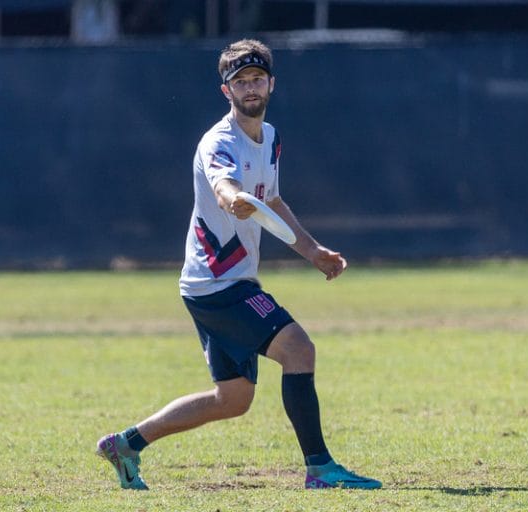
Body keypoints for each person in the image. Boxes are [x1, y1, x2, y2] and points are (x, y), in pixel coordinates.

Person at [97, 39, 381, 491]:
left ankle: (127, 444)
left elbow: (273, 200)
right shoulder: (218, 141)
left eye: (256, 80)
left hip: (218, 282)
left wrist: (313, 252)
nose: (250, 88)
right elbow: (223, 184)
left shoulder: (270, 138)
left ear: (271, 83)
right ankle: (321, 469)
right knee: (299, 350)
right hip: (218, 284)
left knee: (232, 399)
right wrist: (234, 200)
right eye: (240, 82)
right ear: (225, 91)